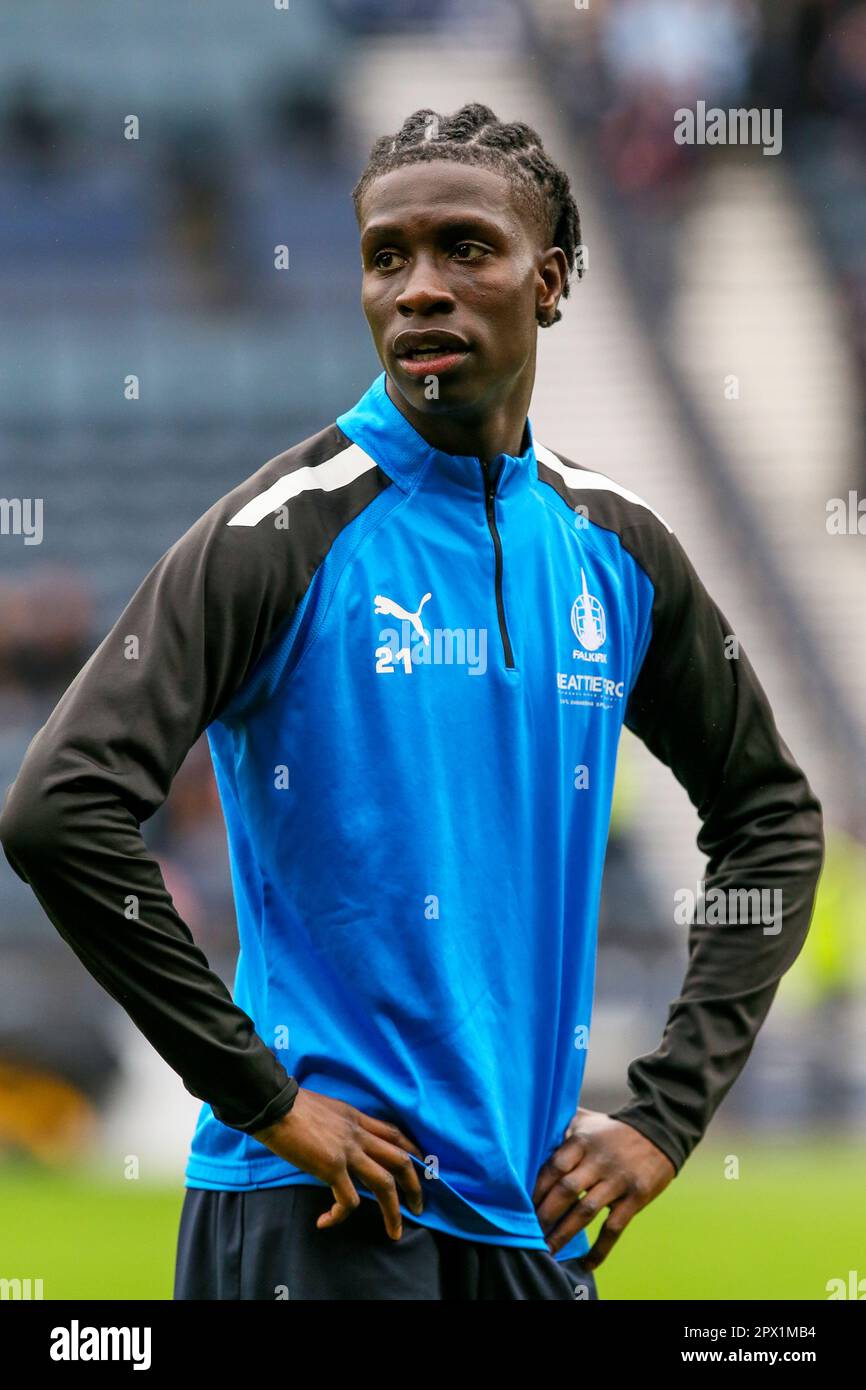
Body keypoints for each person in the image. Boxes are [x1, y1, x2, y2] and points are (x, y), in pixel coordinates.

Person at [0, 102, 824, 1301]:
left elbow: (772, 815)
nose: (418, 288)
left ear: (546, 283)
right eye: (387, 257)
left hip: (527, 1220)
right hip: (321, 1208)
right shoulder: (278, 533)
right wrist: (266, 1100)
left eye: (463, 250)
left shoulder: (618, 550)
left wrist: (662, 1116)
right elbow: (57, 807)